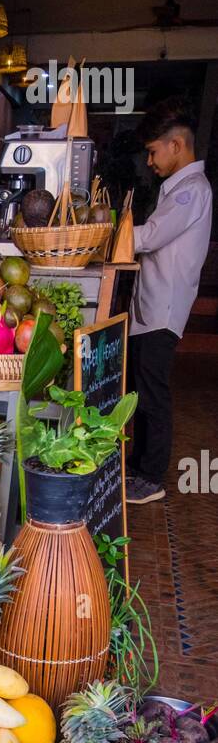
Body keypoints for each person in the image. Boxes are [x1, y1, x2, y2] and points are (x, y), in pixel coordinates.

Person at [126, 99, 212, 505]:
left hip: (164, 310)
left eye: (154, 150)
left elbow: (152, 236)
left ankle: (151, 476)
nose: (150, 160)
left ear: (177, 145)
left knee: (153, 393)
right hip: (151, 308)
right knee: (142, 390)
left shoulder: (191, 191)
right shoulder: (177, 189)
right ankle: (138, 468)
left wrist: (114, 234)